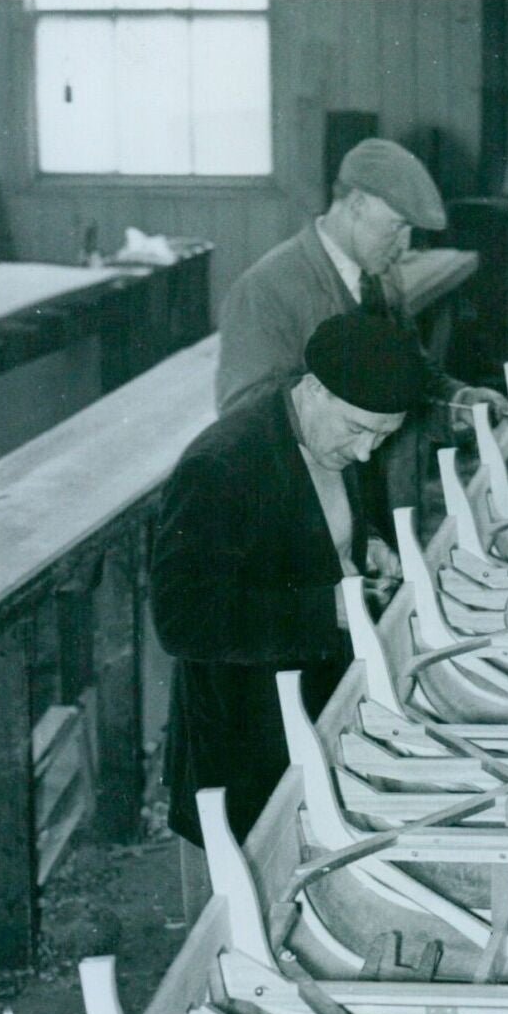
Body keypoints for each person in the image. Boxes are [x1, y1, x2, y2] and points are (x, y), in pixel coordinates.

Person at [151, 312, 428, 922]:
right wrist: (324, 607)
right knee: (235, 923)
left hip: (312, 712)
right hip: (240, 736)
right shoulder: (222, 466)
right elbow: (181, 619)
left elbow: (322, 530)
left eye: (382, 438)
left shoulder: (343, 435)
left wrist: (365, 546)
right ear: (315, 388)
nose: (365, 451)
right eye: (360, 431)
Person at [216, 137, 506, 433]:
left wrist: (458, 400)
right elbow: (242, 418)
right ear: (356, 205)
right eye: (396, 226)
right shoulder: (267, 288)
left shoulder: (381, 274)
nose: (404, 246)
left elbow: (408, 370)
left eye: (410, 230)